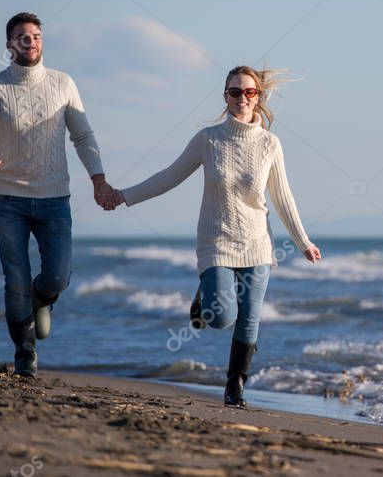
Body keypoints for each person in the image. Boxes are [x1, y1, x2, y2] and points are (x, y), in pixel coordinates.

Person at [108, 65, 322, 407]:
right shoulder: (208, 140)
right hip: (216, 243)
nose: (242, 98)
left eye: (249, 92)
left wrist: (303, 241)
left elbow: (283, 197)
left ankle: (235, 384)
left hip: (257, 245)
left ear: (258, 97)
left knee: (249, 318)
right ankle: (205, 296)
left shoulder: (270, 144)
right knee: (221, 317)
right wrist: (124, 196)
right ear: (226, 96)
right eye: (235, 92)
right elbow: (169, 176)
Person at [0, 12, 119, 378]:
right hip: (8, 200)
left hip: (54, 199)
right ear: (9, 45)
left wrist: (98, 179)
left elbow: (83, 136)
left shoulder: (63, 84)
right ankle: (25, 354)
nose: (30, 41)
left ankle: (41, 301)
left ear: (42, 42)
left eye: (35, 36)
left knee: (57, 277)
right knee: (15, 279)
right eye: (22, 37)